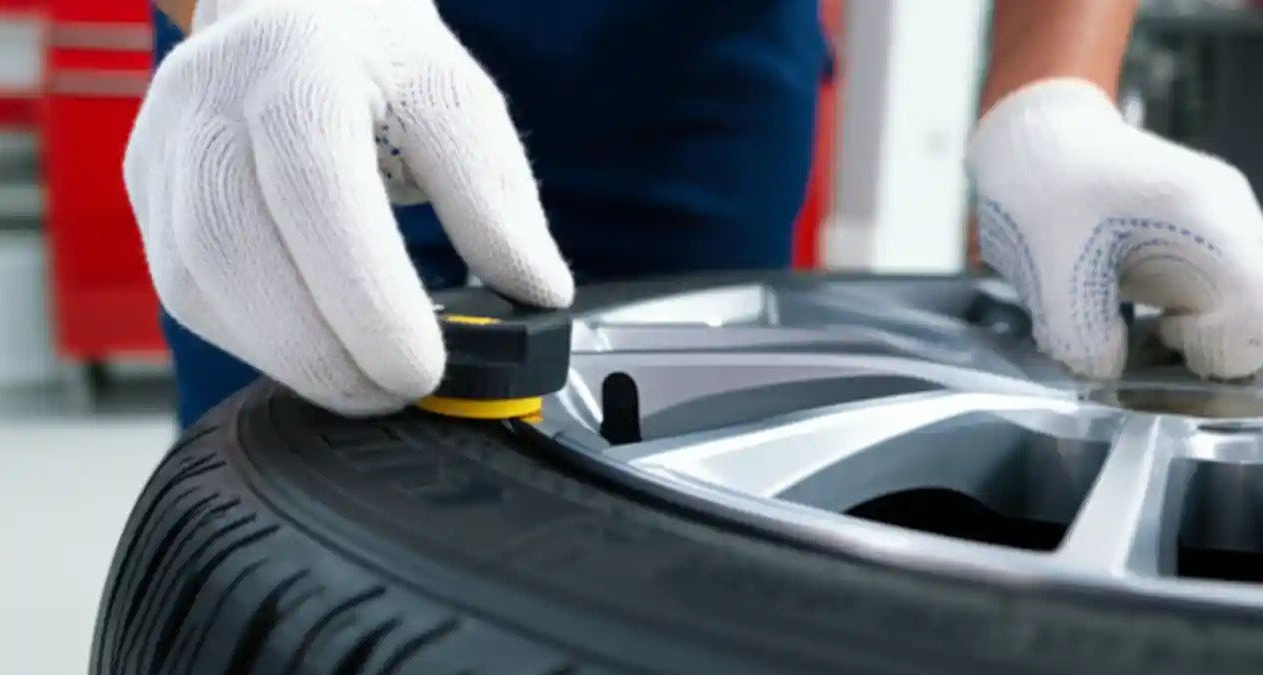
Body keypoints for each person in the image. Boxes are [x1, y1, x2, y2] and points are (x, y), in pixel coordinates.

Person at [134, 0, 1263, 429]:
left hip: (698, 68)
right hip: (323, 51)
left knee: (673, 548)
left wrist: (1048, 103)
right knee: (294, 473)